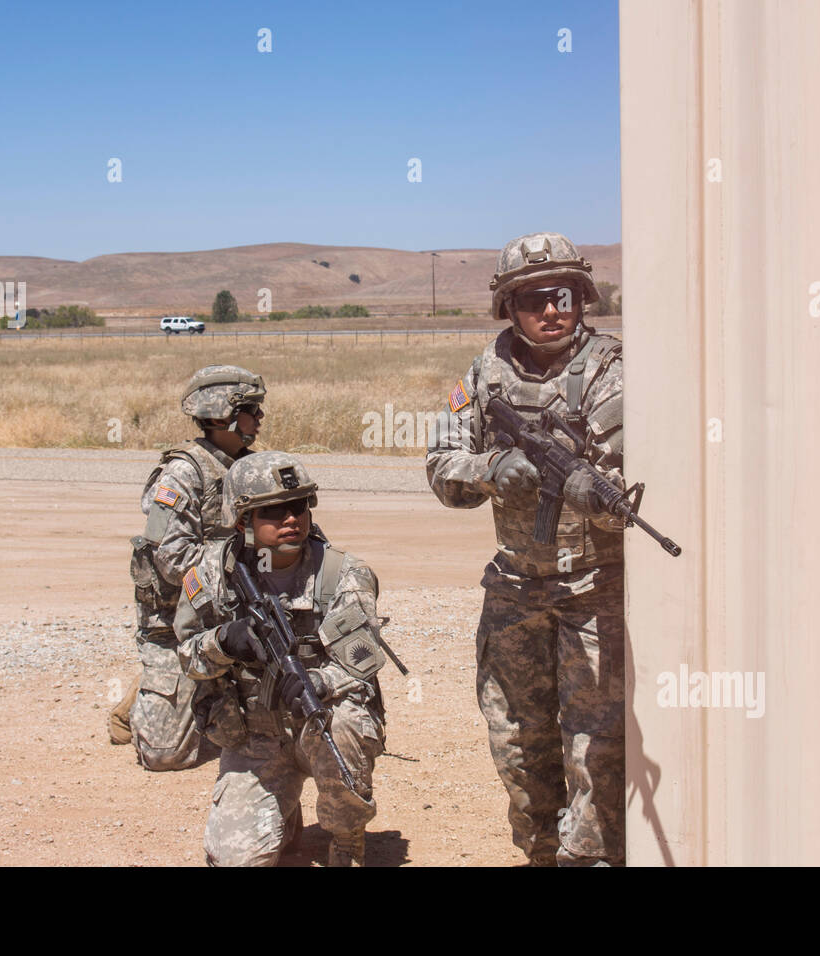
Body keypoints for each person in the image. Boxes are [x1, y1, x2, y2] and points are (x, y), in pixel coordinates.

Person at [426, 232, 626, 866]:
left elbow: (638, 481)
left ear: (583, 298)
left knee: (596, 747)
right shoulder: (484, 374)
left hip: (596, 593)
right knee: (518, 744)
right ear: (509, 306)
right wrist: (492, 466)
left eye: (564, 295)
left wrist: (599, 494)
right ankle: (542, 852)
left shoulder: (612, 371)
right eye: (535, 297)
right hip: (514, 593)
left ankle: (589, 858)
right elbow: (441, 466)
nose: (552, 309)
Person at [172, 451, 387, 867]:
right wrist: (224, 641)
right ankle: (282, 811)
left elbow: (363, 664)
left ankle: (346, 834)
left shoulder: (342, 574)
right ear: (241, 521)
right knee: (235, 860)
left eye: (299, 506)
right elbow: (186, 657)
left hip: (319, 723)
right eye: (272, 510)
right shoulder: (210, 575)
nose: (291, 519)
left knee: (343, 725)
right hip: (256, 740)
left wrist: (320, 684)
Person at [107, 365, 267, 772]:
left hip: (234, 614)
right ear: (222, 416)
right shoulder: (182, 473)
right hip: (177, 624)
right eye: (252, 409)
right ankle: (144, 694)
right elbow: (172, 558)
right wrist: (229, 573)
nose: (260, 418)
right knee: (165, 756)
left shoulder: (253, 468)